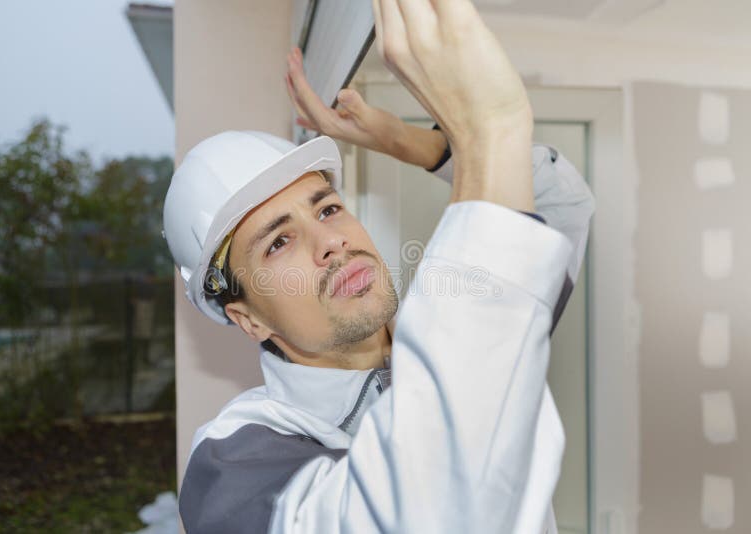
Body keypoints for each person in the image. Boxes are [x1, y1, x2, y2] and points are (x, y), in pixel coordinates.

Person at [164, 1, 594, 532]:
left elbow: (560, 201)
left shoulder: (458, 333)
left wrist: (412, 143)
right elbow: (436, 502)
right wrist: (485, 135)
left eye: (327, 208)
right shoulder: (234, 464)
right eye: (278, 243)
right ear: (250, 319)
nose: (330, 243)